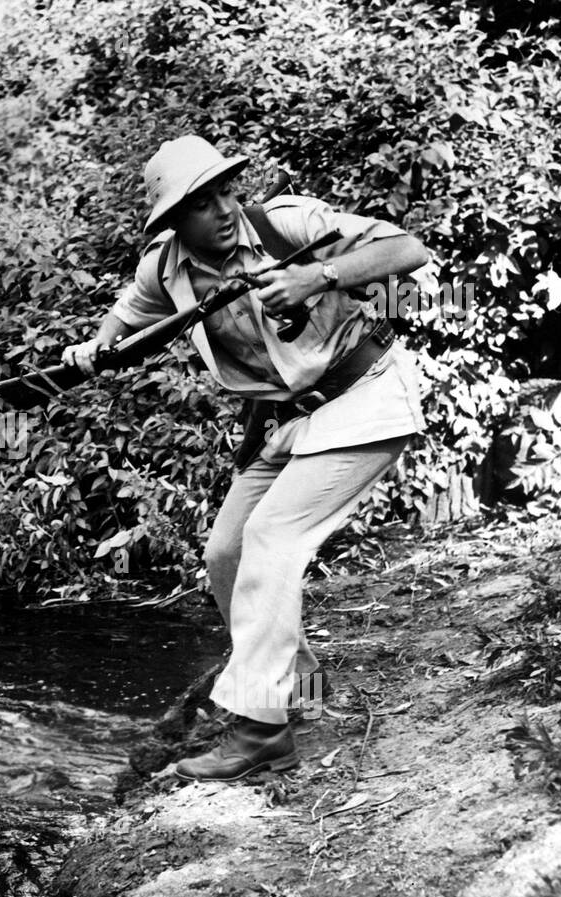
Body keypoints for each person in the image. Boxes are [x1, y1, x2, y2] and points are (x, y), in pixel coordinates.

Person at [63, 135, 429, 782]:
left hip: (363, 394)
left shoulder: (287, 224)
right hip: (287, 420)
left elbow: (408, 249)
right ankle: (298, 678)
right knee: (225, 551)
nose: (226, 209)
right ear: (175, 220)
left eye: (227, 191)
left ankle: (261, 730)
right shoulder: (166, 267)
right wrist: (96, 348)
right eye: (203, 204)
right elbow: (129, 317)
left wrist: (318, 275)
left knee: (273, 536)